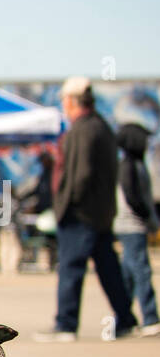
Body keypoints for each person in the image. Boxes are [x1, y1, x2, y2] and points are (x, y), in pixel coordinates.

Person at [36, 76, 137, 341]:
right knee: (108, 268)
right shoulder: (100, 126)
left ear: (71, 101)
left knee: (70, 268)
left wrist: (66, 205)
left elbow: (80, 174)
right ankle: (126, 319)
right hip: (99, 212)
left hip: (81, 214)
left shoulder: (83, 129)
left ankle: (66, 324)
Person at [114, 123, 160, 337]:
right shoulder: (128, 165)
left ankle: (122, 317)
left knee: (128, 275)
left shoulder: (136, 163)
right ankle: (150, 317)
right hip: (131, 225)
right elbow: (133, 196)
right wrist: (145, 216)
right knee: (141, 270)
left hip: (132, 224)